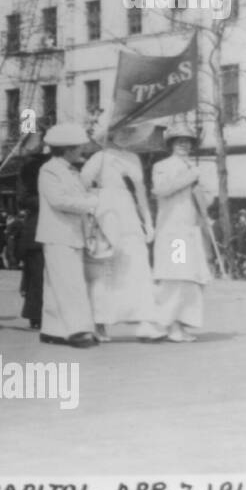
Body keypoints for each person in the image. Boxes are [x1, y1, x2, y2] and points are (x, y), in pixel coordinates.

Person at [80, 131, 155, 341]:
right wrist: (93, 208)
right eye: (120, 131)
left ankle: (144, 320)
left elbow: (141, 192)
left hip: (129, 212)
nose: (124, 137)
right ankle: (99, 322)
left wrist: (148, 221)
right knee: (106, 268)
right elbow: (82, 184)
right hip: (107, 213)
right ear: (110, 134)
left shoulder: (134, 158)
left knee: (137, 263)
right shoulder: (99, 157)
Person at [35, 123, 99, 348]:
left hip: (70, 233)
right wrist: (90, 203)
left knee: (57, 284)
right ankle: (77, 330)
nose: (82, 150)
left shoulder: (70, 170)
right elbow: (59, 200)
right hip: (58, 233)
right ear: (68, 149)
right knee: (69, 284)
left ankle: (52, 329)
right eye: (79, 147)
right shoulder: (50, 170)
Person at [149, 121, 211, 343]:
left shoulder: (191, 168)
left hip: (189, 230)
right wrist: (190, 177)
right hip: (173, 232)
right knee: (176, 277)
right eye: (179, 141)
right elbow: (161, 189)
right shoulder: (163, 165)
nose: (184, 145)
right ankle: (167, 325)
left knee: (190, 279)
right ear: (171, 144)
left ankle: (179, 324)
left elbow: (199, 199)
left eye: (188, 141)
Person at [17, 155, 49, 330]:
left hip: (52, 231)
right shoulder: (31, 172)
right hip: (36, 232)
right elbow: (23, 199)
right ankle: (35, 313)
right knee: (36, 276)